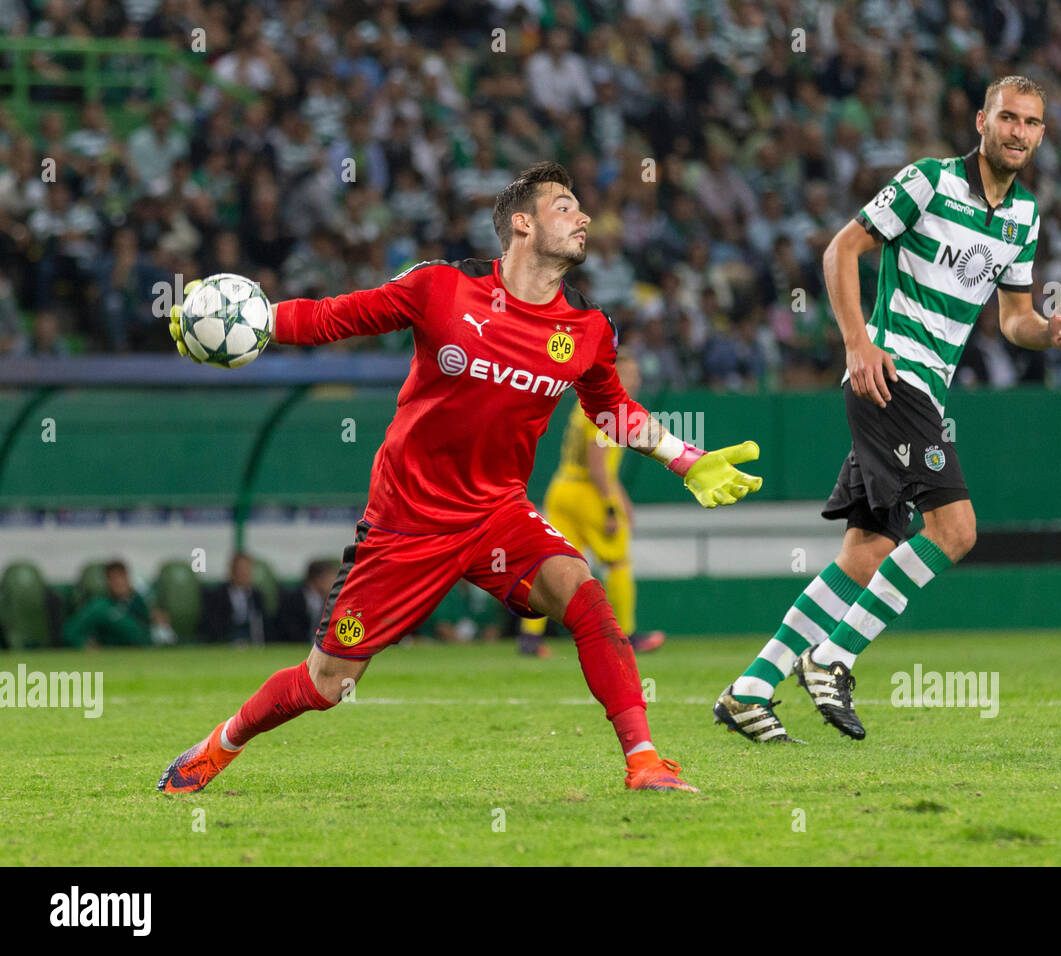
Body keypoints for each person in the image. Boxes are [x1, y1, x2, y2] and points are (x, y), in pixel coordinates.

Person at [161, 162, 762, 794]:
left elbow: (610, 407)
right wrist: (255, 322)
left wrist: (685, 457)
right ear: (522, 223)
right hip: (406, 522)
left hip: (498, 514)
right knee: (327, 684)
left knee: (585, 597)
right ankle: (218, 746)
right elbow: (338, 316)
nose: (584, 217)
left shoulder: (588, 329)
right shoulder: (441, 287)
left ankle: (644, 762)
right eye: (566, 206)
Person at [716, 76, 1061, 742]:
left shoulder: (1025, 216)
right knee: (956, 530)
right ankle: (830, 658)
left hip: (922, 394)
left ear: (1041, 134)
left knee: (866, 551)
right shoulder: (928, 182)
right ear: (980, 121)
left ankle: (750, 689)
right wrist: (858, 343)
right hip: (891, 380)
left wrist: (1048, 332)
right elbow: (841, 250)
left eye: (1031, 123)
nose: (1018, 132)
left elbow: (1015, 319)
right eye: (1008, 118)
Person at [518, 352, 666, 658]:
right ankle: (628, 635)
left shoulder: (583, 405)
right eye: (628, 374)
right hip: (590, 494)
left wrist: (621, 497)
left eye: (637, 374)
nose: (635, 380)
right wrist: (611, 507)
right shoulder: (608, 410)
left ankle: (530, 639)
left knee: (549, 566)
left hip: (563, 488)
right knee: (618, 563)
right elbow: (598, 465)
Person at [62, 560, 151, 648]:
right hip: (110, 656)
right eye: (113, 578)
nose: (118, 582)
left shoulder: (139, 602)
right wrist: (85, 645)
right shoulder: (99, 606)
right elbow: (70, 632)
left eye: (121, 577)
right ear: (107, 581)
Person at [203, 552, 267, 645]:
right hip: (227, 641)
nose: (244, 573)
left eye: (247, 569)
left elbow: (262, 623)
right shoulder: (219, 595)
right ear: (232, 571)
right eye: (241, 569)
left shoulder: (257, 596)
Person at [273, 559, 337, 644]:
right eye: (330, 580)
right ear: (318, 579)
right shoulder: (291, 600)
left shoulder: (332, 601)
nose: (334, 584)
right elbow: (287, 629)